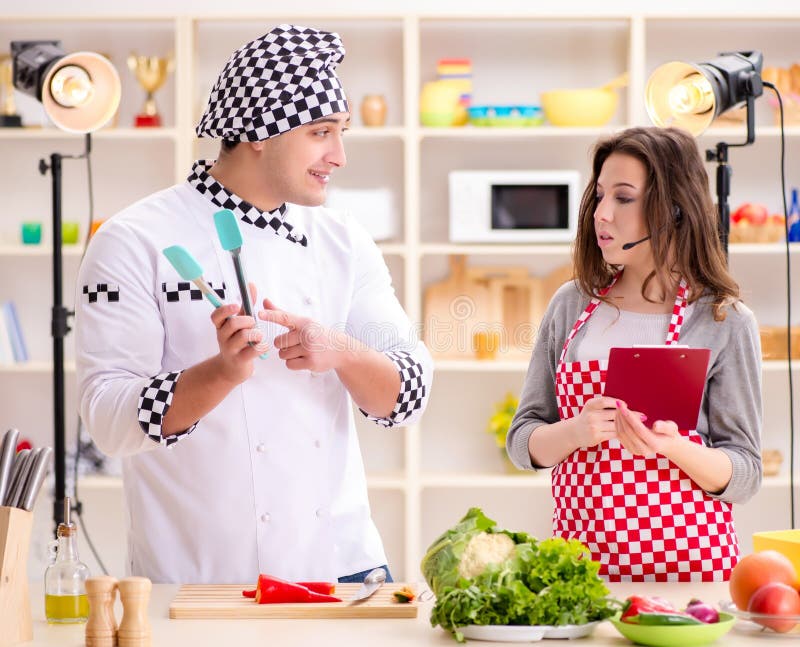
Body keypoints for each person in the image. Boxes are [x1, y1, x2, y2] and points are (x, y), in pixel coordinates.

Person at [75, 24, 433, 585]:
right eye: (321, 132)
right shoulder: (132, 239)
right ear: (261, 132)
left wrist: (340, 351)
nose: (339, 155)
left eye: (341, 132)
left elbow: (409, 393)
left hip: (343, 570)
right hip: (202, 579)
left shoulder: (344, 239)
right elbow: (109, 421)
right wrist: (219, 373)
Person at [506, 126, 762, 582]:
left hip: (692, 577)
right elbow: (522, 442)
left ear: (674, 208)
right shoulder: (572, 305)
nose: (601, 214)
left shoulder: (724, 320)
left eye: (623, 198)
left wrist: (673, 447)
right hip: (581, 575)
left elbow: (745, 474)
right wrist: (576, 431)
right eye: (600, 196)